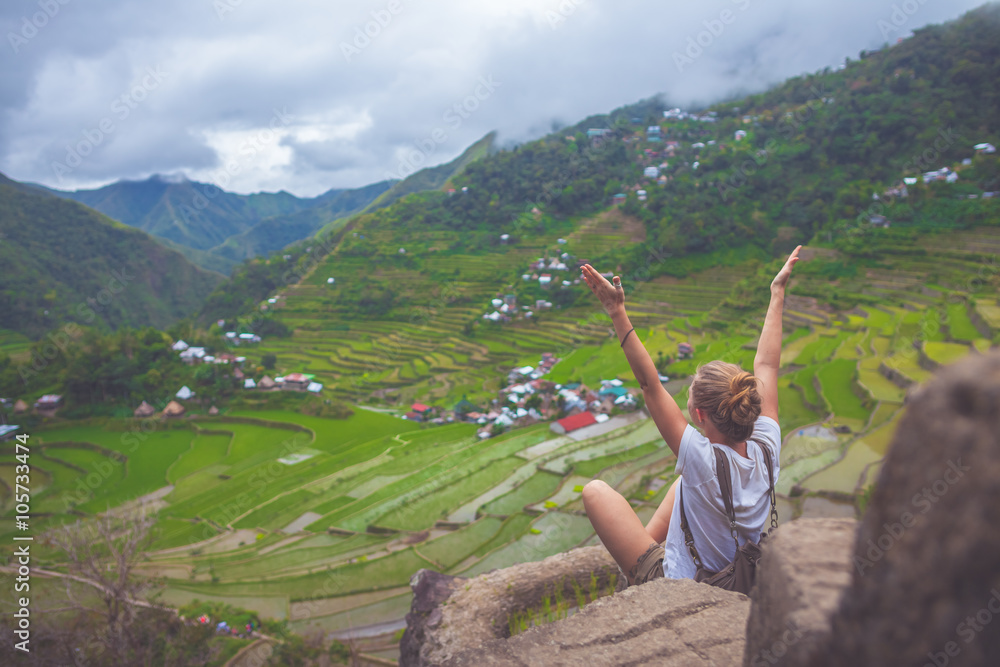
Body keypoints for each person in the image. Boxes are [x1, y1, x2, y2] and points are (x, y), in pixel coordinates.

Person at [579, 246, 801, 585]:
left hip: (689, 585)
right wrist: (777, 292)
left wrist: (616, 311)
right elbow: (768, 365)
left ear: (699, 414)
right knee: (685, 484)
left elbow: (649, 385)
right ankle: (651, 547)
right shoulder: (767, 445)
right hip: (742, 573)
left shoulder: (702, 459)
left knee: (594, 491)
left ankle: (640, 580)